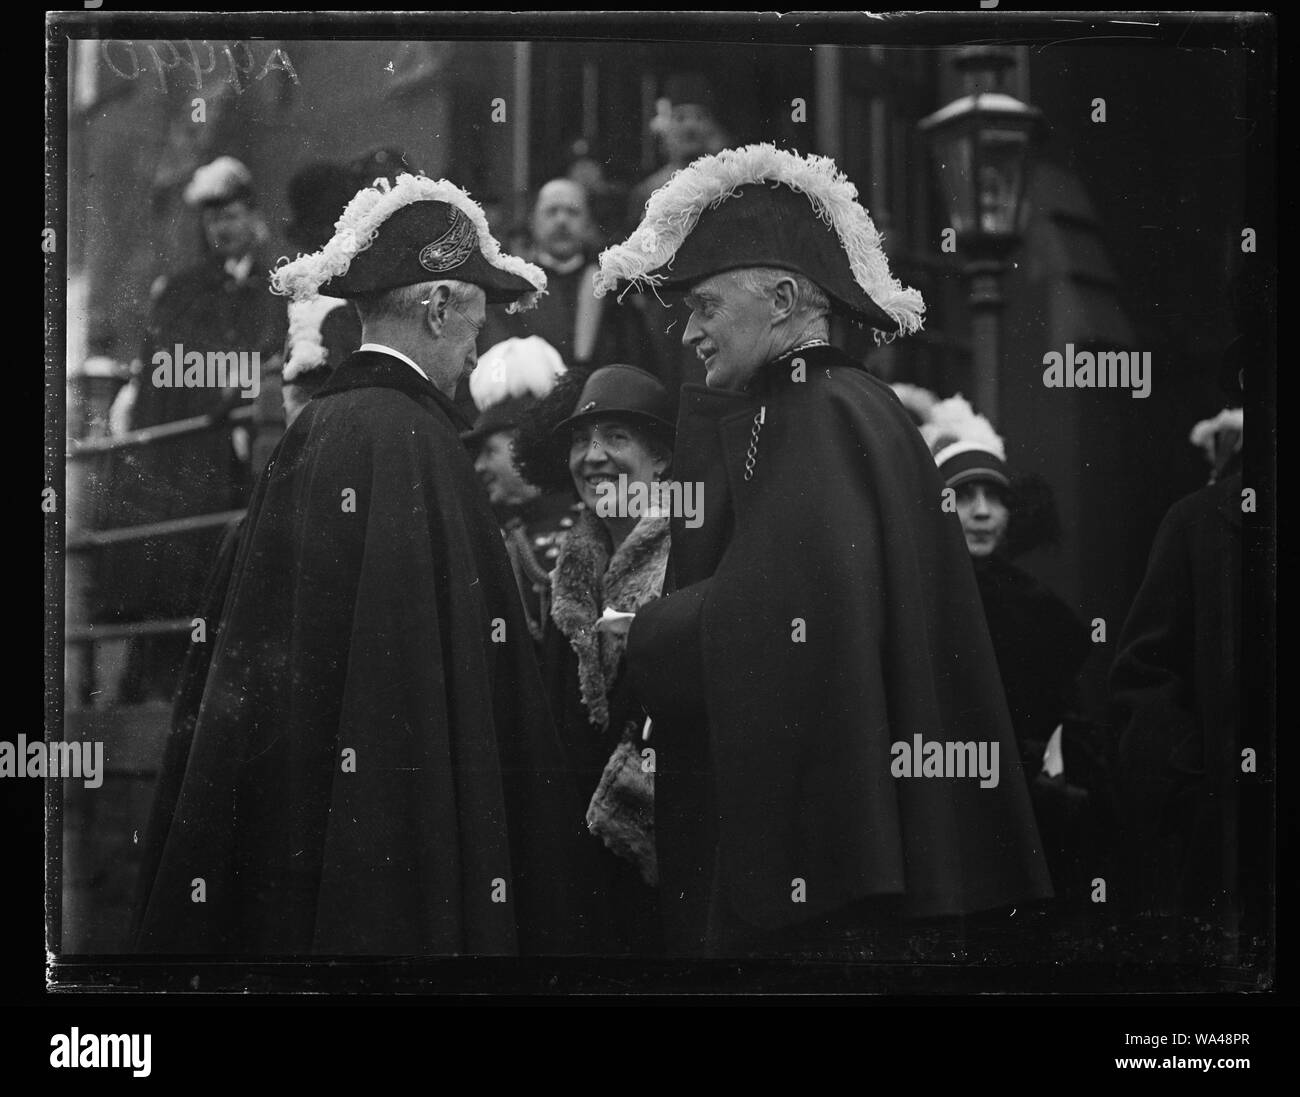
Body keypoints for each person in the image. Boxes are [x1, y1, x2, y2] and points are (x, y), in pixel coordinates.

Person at [594, 143, 1052, 957]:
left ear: (782, 300)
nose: (690, 332)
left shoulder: (810, 412)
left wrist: (646, 634)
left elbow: (784, 620)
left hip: (821, 900)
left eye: (704, 305)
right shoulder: (847, 402)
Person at [136, 173, 604, 955]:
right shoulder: (422, 444)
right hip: (398, 857)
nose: (475, 351)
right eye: (474, 326)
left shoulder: (313, 431)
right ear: (438, 307)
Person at [95, 156, 287, 701]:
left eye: (231, 215)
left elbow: (275, 355)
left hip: (246, 447)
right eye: (212, 218)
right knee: (182, 563)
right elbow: (166, 372)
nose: (222, 228)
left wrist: (244, 382)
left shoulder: (275, 288)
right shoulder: (183, 290)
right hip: (192, 452)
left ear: (253, 216)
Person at [922, 396, 1110, 915]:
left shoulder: (1038, 608)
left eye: (995, 497)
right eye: (964, 496)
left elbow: (1069, 722)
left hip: (1032, 817)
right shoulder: (917, 599)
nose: (982, 511)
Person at [513, 365, 676, 954]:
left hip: (670, 875)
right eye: (581, 440)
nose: (593, 456)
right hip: (582, 880)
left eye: (616, 437)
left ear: (661, 460)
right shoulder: (568, 576)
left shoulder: (690, 565)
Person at [462, 335, 577, 643]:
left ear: (523, 446)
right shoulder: (498, 539)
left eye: (490, 451)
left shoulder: (592, 525)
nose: (479, 466)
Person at [481, 179, 650, 374]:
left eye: (573, 212)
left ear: (588, 223)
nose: (562, 220)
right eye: (551, 211)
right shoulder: (515, 290)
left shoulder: (614, 291)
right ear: (533, 222)